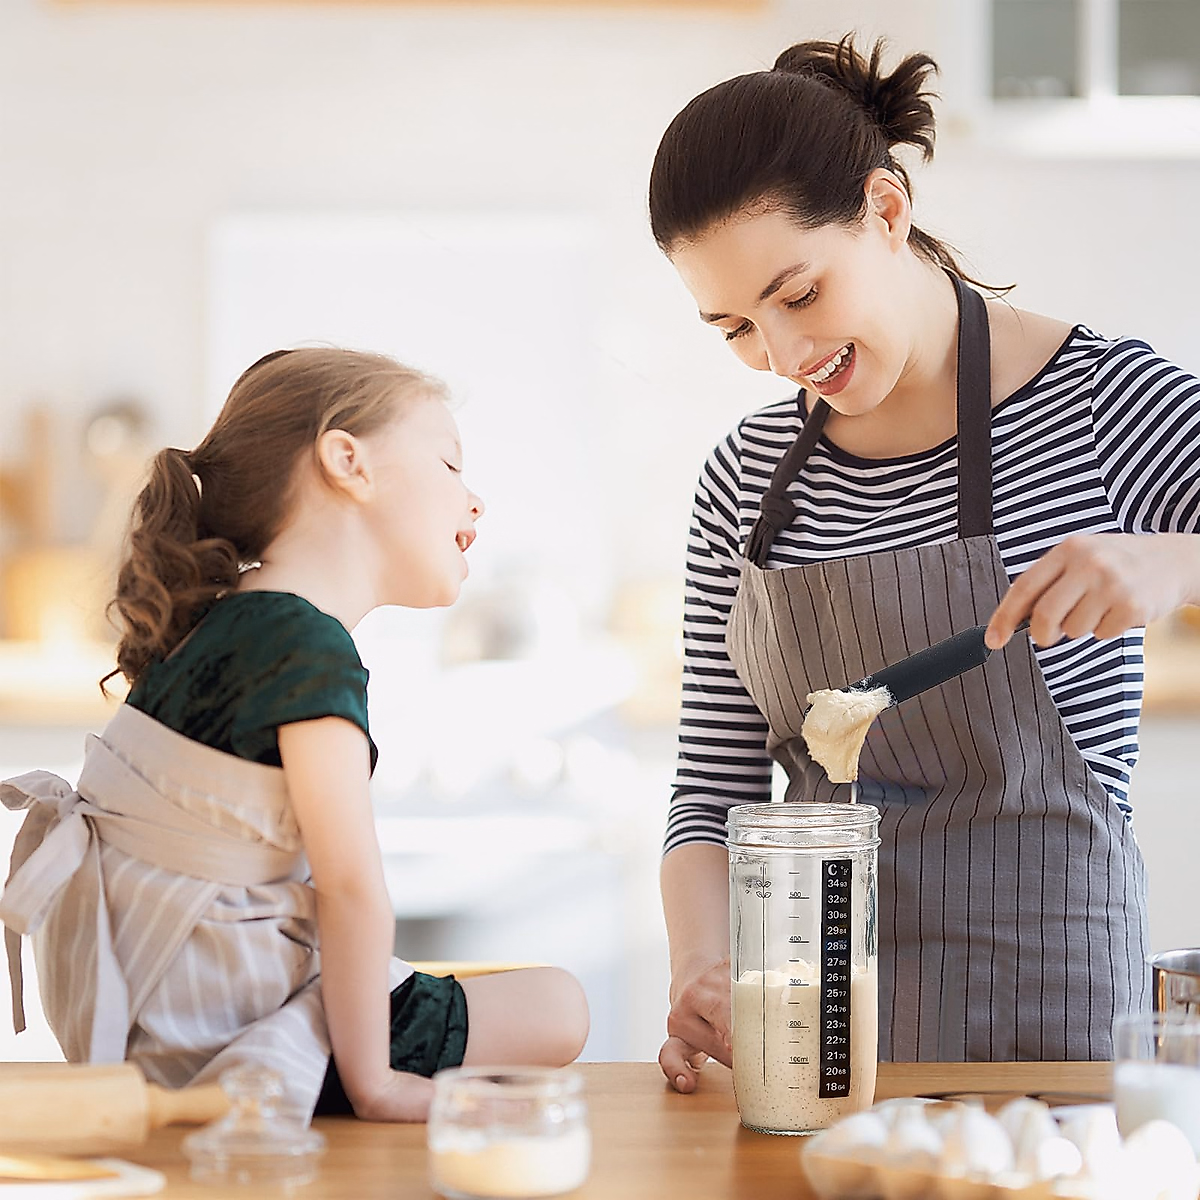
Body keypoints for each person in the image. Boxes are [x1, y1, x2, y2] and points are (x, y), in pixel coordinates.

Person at [649, 35, 1200, 1090]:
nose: (781, 356)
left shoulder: (1098, 408)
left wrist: (1175, 565)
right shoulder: (745, 480)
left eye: (799, 295)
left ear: (886, 211)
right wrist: (705, 964)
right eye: (734, 328)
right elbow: (711, 788)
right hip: (814, 1046)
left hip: (1059, 1035)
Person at [0, 348, 589, 1122]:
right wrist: (376, 1081)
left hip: (159, 1016)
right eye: (449, 464)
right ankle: (317, 1068)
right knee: (560, 1003)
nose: (474, 500)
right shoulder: (301, 642)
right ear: (348, 461)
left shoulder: (227, 621)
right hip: (231, 1033)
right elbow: (349, 889)